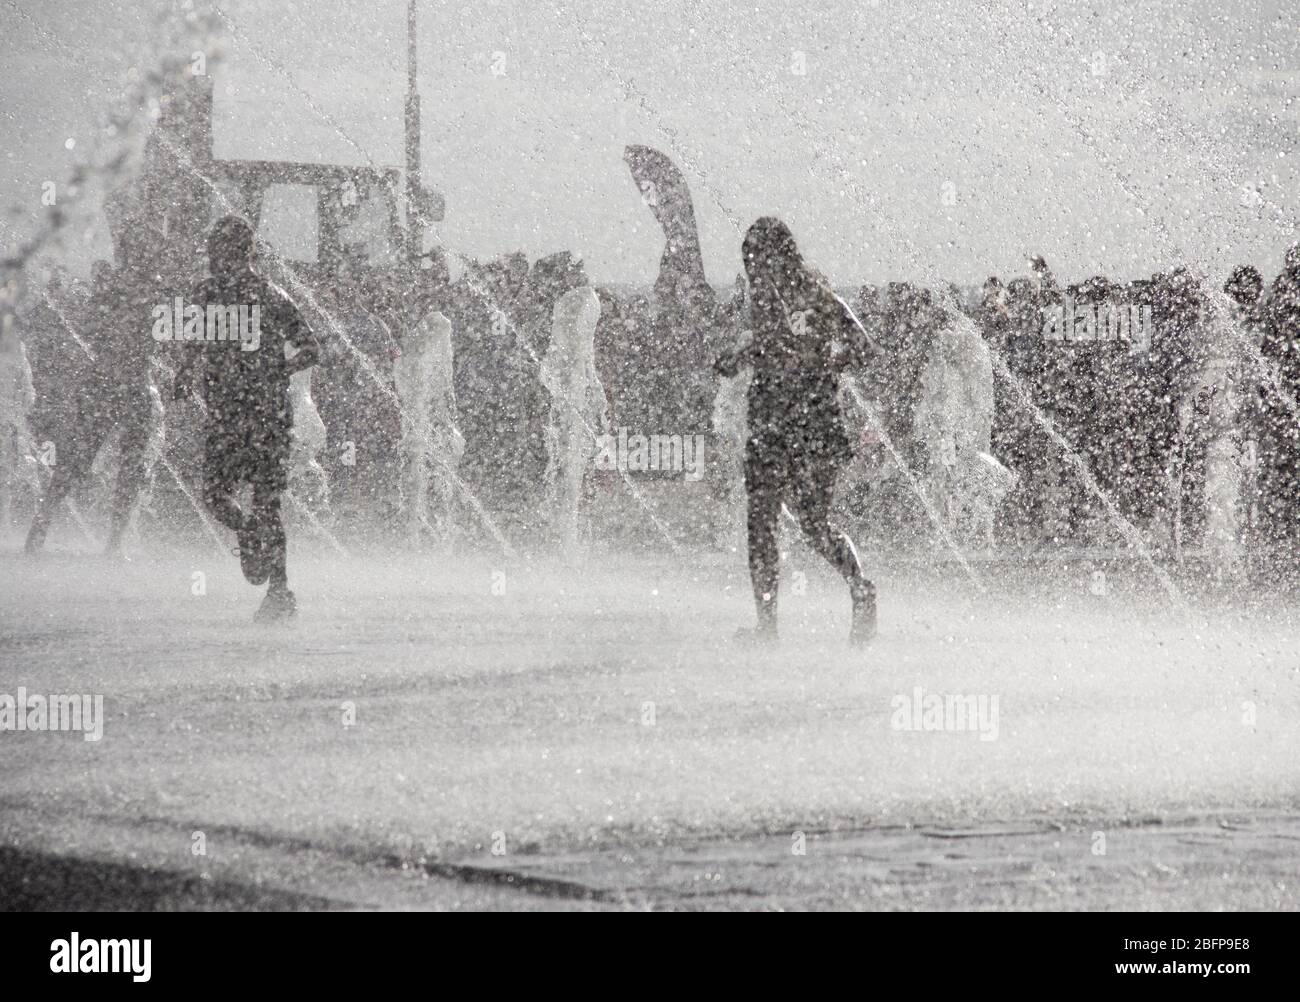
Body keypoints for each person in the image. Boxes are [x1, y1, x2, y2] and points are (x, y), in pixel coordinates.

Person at [714, 217, 879, 645]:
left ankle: (848, 593)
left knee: (792, 525)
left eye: (754, 258)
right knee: (781, 523)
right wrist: (746, 359)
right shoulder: (797, 297)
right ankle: (777, 621)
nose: (751, 268)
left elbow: (857, 349)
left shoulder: (800, 295)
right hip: (796, 422)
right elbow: (850, 349)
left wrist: (815, 368)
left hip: (793, 423)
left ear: (774, 255)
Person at [173, 216, 318, 620]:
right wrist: (279, 371)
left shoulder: (212, 293)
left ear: (230, 251)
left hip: (233, 416)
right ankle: (279, 587)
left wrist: (186, 373)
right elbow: (311, 349)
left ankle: (250, 535)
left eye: (215, 248)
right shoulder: (271, 295)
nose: (211, 255)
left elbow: (195, 341)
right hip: (267, 416)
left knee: (217, 495)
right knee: (266, 504)